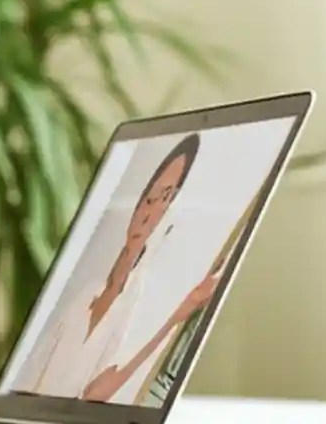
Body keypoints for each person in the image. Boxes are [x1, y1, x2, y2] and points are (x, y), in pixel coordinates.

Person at [12, 133, 221, 404]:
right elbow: (24, 385)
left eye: (166, 200)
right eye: (150, 197)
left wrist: (181, 313)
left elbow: (97, 393)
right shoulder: (87, 294)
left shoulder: (135, 298)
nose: (149, 214)